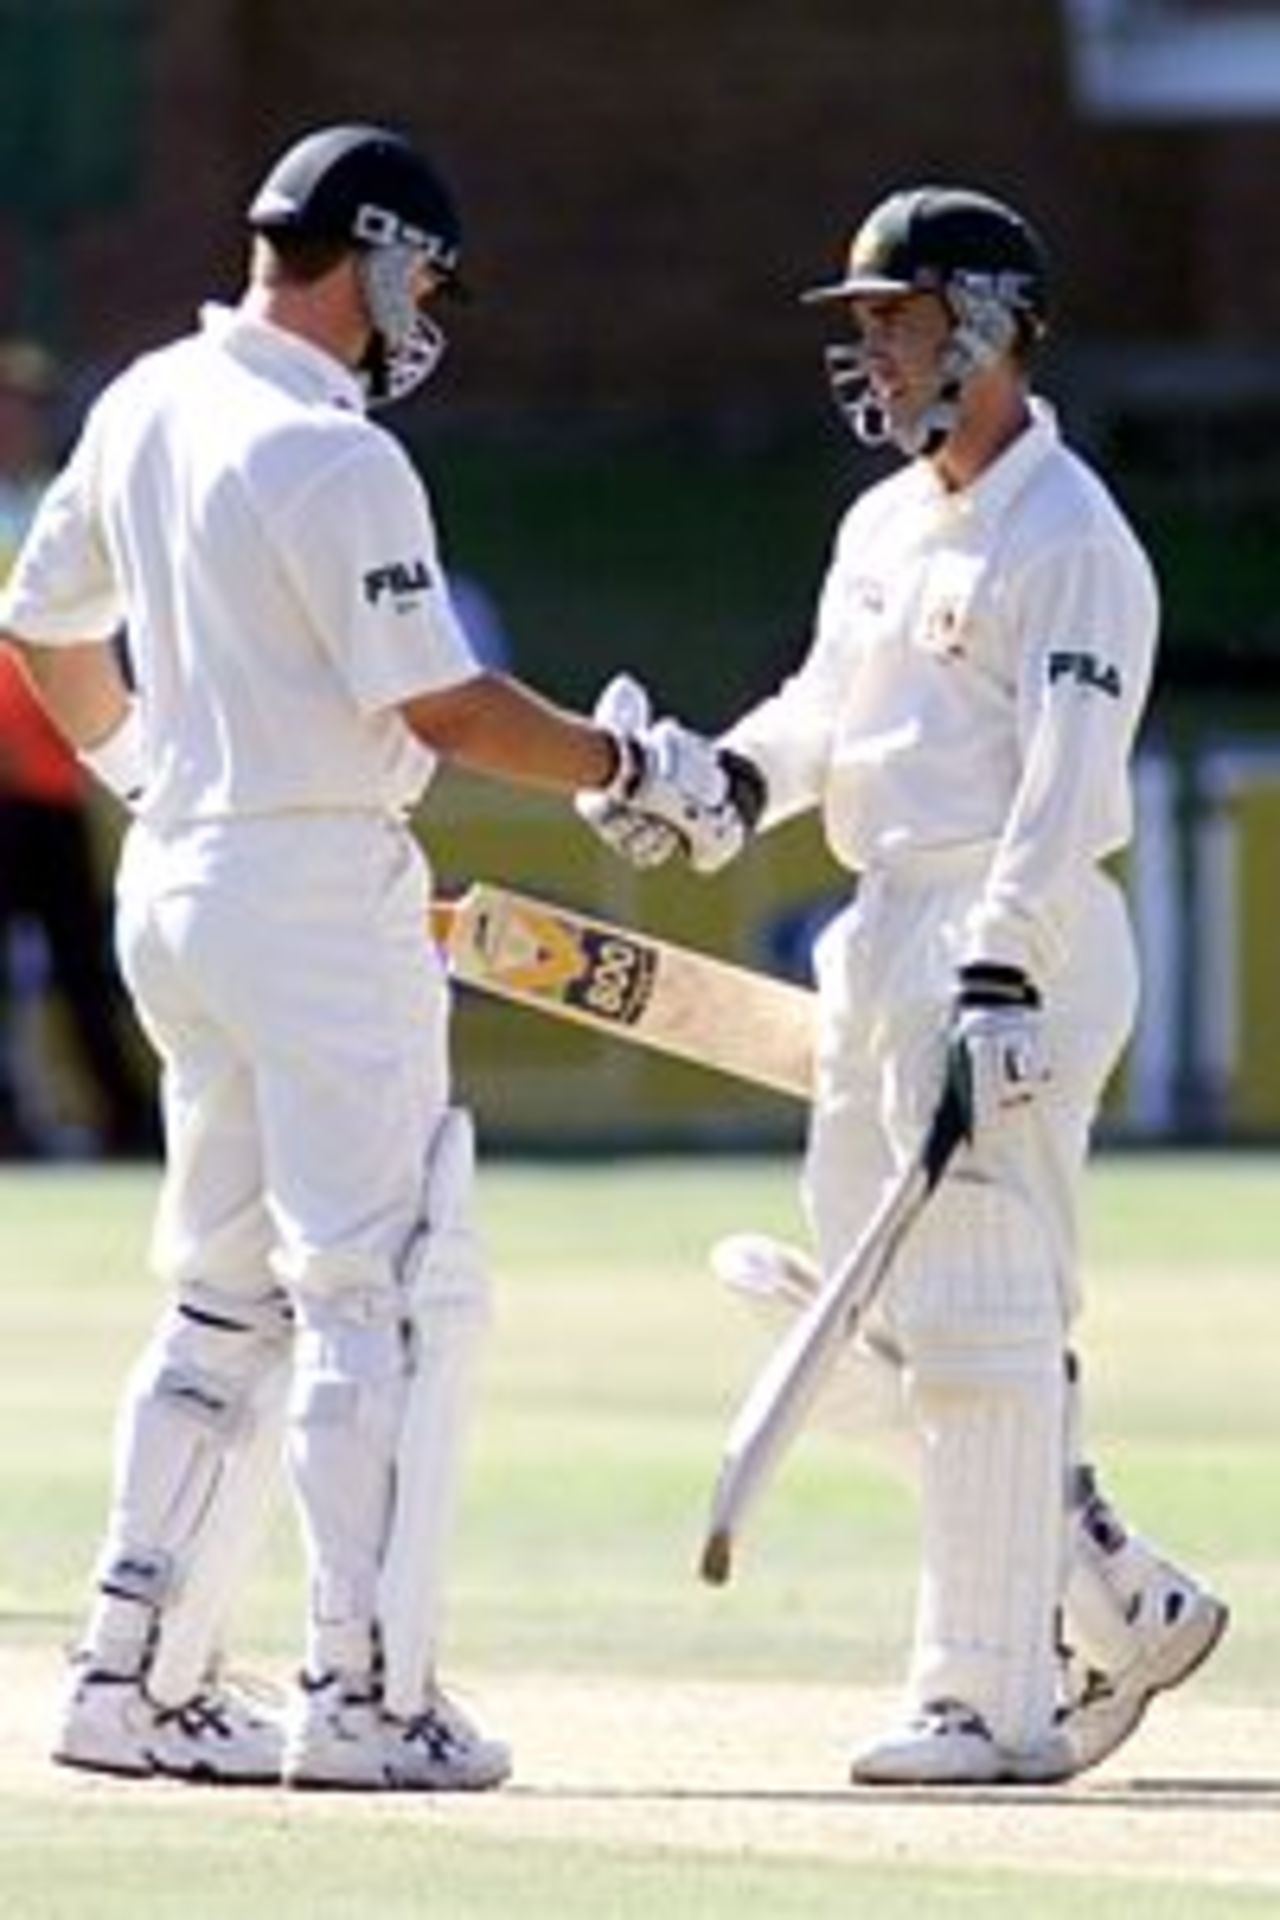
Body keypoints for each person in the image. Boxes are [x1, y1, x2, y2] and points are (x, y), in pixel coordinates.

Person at [0, 122, 739, 1791]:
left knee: (222, 1292)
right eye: (428, 282)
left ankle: (132, 1679)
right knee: (384, 1295)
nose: (429, 318)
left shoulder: (146, 399)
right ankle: (368, 1698)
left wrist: (156, 780)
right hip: (313, 891)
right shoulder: (333, 456)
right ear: (384, 258)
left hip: (181, 884)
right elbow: (447, 707)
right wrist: (634, 765)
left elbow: (44, 629)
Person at [580, 185, 1228, 1786]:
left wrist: (1003, 970)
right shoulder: (883, 523)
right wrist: (717, 784)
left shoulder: (1072, 537)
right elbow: (823, 713)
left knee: (985, 1321)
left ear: (989, 326)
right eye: (861, 322)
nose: (869, 349)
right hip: (879, 934)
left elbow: (1067, 783)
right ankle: (1114, 1595)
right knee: (881, 1326)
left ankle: (985, 1701)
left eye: (898, 318)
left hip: (1015, 934)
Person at [0, 343, 156, 1158]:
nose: (15, 422)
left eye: (26, 408)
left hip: (56, 775)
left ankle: (123, 1116)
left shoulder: (59, 504)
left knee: (83, 958)